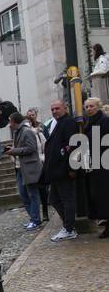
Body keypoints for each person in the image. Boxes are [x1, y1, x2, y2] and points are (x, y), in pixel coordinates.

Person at [43, 98, 80, 241]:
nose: (54, 111)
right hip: (56, 171)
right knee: (54, 199)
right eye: (52, 109)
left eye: (57, 108)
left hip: (64, 170)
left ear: (65, 108)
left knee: (66, 199)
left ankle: (69, 228)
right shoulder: (58, 123)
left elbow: (73, 145)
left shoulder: (69, 122)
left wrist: (72, 167)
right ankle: (68, 225)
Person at [8, 111, 43, 229]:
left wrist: (14, 151)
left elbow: (31, 148)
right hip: (19, 168)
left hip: (29, 167)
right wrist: (13, 149)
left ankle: (36, 220)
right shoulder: (17, 131)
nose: (9, 124)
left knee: (33, 194)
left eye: (10, 121)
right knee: (23, 195)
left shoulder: (27, 131)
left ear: (15, 121)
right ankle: (33, 218)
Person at [83, 95, 109, 237]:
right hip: (95, 165)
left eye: (91, 106)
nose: (89, 109)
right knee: (98, 196)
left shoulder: (104, 121)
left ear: (98, 107)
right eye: (87, 107)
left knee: (104, 195)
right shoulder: (88, 123)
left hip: (105, 165)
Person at [26, 108, 49, 221]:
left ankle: (45, 211)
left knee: (42, 188)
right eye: (29, 115)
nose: (31, 117)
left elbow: (46, 142)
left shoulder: (42, 127)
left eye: (33, 115)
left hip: (41, 159)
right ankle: (36, 215)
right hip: (32, 162)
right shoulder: (26, 129)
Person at [90, 42, 109, 108]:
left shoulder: (102, 59)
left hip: (102, 87)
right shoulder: (99, 60)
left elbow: (103, 70)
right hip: (97, 85)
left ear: (96, 50)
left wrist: (92, 74)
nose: (91, 53)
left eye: (92, 51)